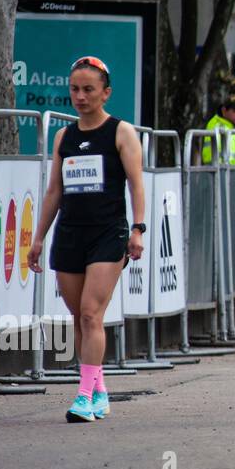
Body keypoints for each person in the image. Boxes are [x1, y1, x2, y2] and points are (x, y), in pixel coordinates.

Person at [28, 56, 146, 423]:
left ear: (105, 93)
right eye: (75, 89)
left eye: (88, 90)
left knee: (93, 313)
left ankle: (83, 396)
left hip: (108, 234)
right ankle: (98, 389)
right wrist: (37, 238)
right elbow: (53, 192)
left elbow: (136, 184)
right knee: (79, 318)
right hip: (70, 234)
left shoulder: (121, 132)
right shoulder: (64, 137)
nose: (80, 96)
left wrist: (138, 229)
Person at [202, 96, 235, 165]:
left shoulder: (231, 127)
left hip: (233, 172)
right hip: (221, 172)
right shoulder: (220, 127)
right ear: (224, 111)